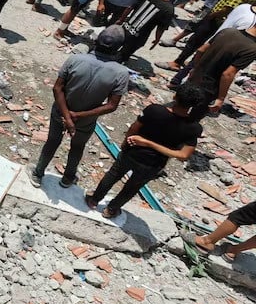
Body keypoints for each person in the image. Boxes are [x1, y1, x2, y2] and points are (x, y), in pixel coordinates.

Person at [85, 82, 204, 219]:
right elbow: (183, 155)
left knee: (113, 175)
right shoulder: (194, 128)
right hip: (154, 164)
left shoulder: (154, 110)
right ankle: (111, 210)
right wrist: (153, 146)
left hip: (132, 152)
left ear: (175, 96)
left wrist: (131, 143)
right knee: (132, 187)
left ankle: (94, 200)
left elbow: (134, 128)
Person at [30, 26, 129, 188]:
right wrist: (78, 116)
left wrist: (67, 117)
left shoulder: (75, 59)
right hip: (86, 120)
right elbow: (112, 105)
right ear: (119, 48)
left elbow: (57, 88)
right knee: (77, 147)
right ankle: (68, 178)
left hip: (60, 112)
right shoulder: (121, 73)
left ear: (96, 41)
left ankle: (38, 173)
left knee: (52, 142)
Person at [182, 23, 256, 120]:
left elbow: (201, 50)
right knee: (193, 119)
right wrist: (221, 98)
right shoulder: (252, 48)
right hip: (209, 88)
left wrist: (195, 69)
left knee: (180, 108)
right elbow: (228, 74)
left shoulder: (228, 31)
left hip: (195, 78)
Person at [115, 0, 184, 64]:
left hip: (125, 28)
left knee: (114, 46)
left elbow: (130, 7)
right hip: (139, 38)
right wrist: (157, 39)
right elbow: (160, 28)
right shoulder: (169, 9)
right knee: (123, 56)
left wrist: (121, 19)